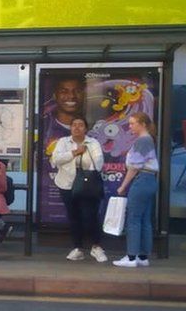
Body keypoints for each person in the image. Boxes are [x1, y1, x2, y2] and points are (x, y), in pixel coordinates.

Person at [51, 117, 108, 262]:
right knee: (73, 216)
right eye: (74, 125)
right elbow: (56, 159)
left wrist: (83, 159)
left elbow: (98, 161)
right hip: (67, 184)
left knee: (90, 215)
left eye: (80, 125)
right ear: (70, 128)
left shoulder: (92, 143)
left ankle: (96, 246)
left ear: (86, 128)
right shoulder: (63, 142)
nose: (77, 128)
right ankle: (78, 248)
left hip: (87, 185)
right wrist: (75, 153)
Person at [114, 112, 159, 268]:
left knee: (133, 218)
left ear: (143, 124)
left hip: (141, 180)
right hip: (151, 180)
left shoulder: (142, 140)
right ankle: (143, 256)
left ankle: (131, 257)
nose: (130, 126)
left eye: (133, 123)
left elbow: (134, 167)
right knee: (145, 219)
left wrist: (123, 186)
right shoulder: (149, 140)